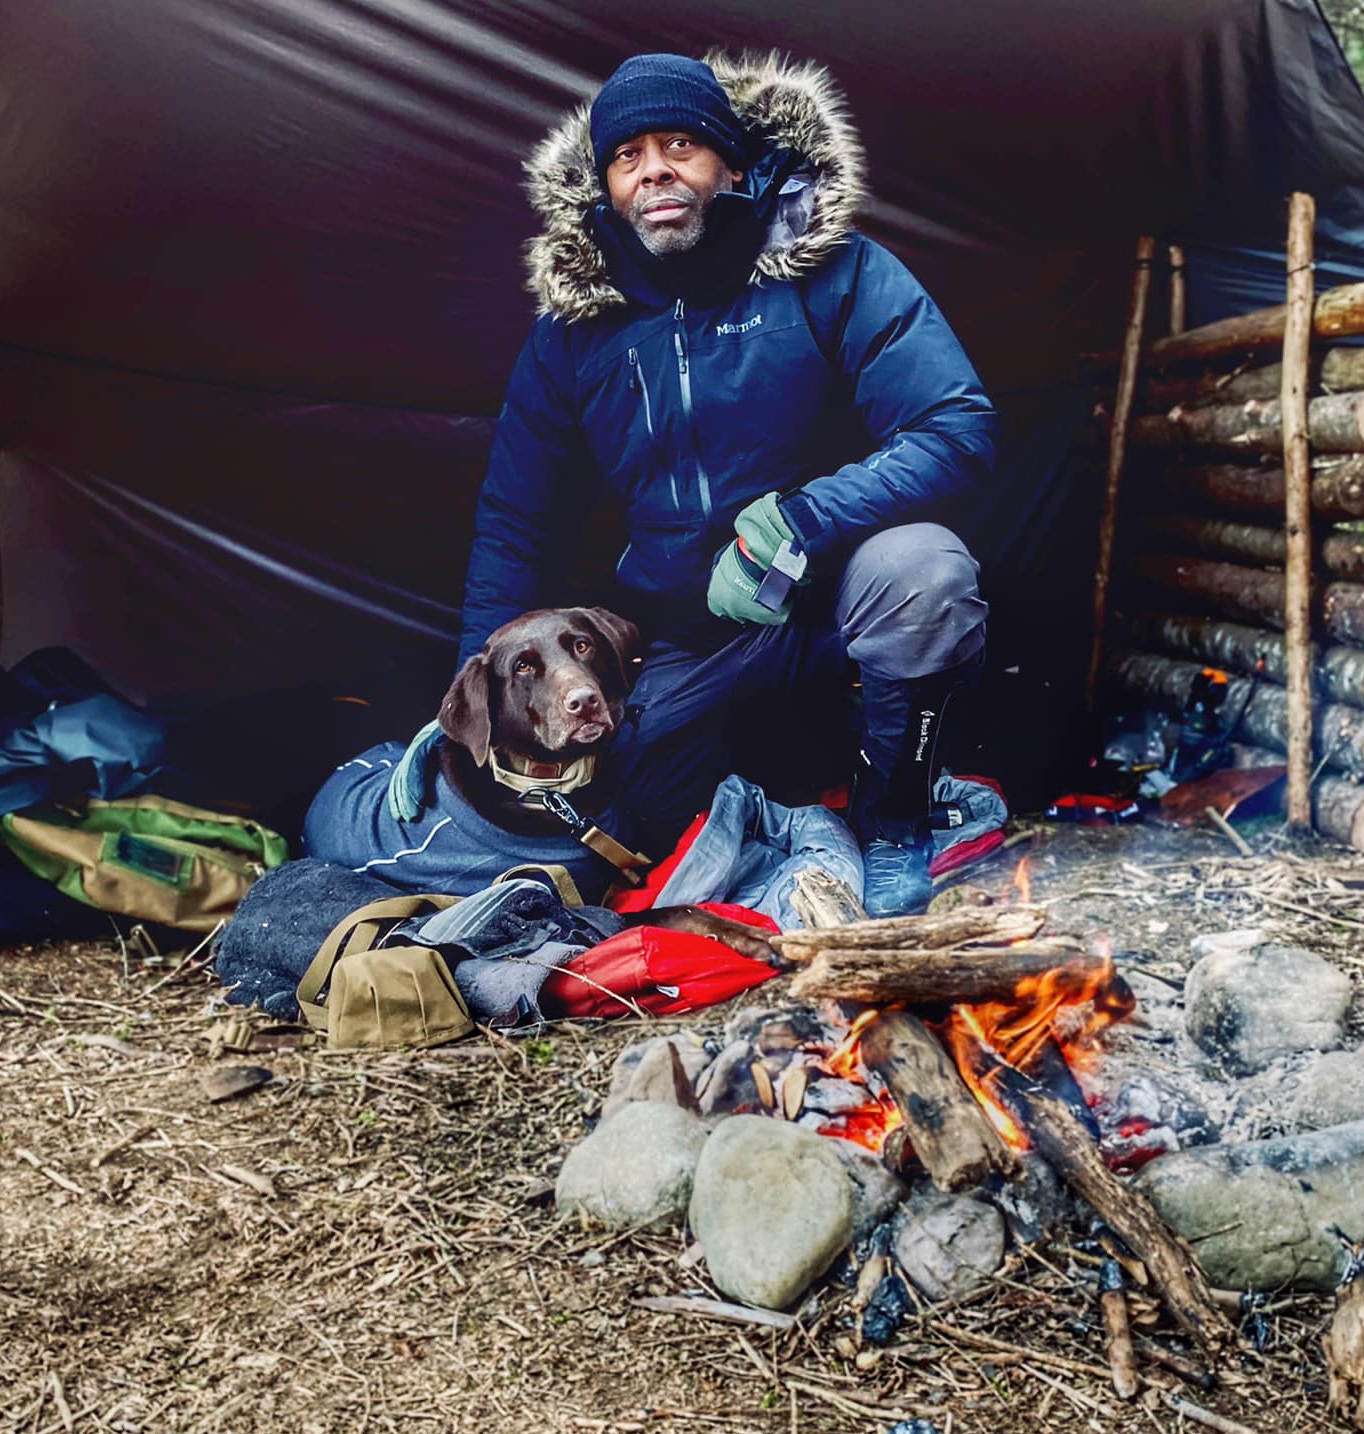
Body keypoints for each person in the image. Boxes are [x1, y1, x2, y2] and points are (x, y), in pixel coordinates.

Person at [394, 52, 997, 917]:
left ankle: (897, 819)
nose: (656, 171)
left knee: (926, 577)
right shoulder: (574, 332)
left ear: (735, 166)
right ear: (605, 187)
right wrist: (470, 695)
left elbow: (958, 428)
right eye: (628, 156)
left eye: (681, 145)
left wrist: (800, 522)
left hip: (831, 595)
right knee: (626, 804)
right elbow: (517, 524)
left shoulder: (836, 272)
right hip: (682, 633)